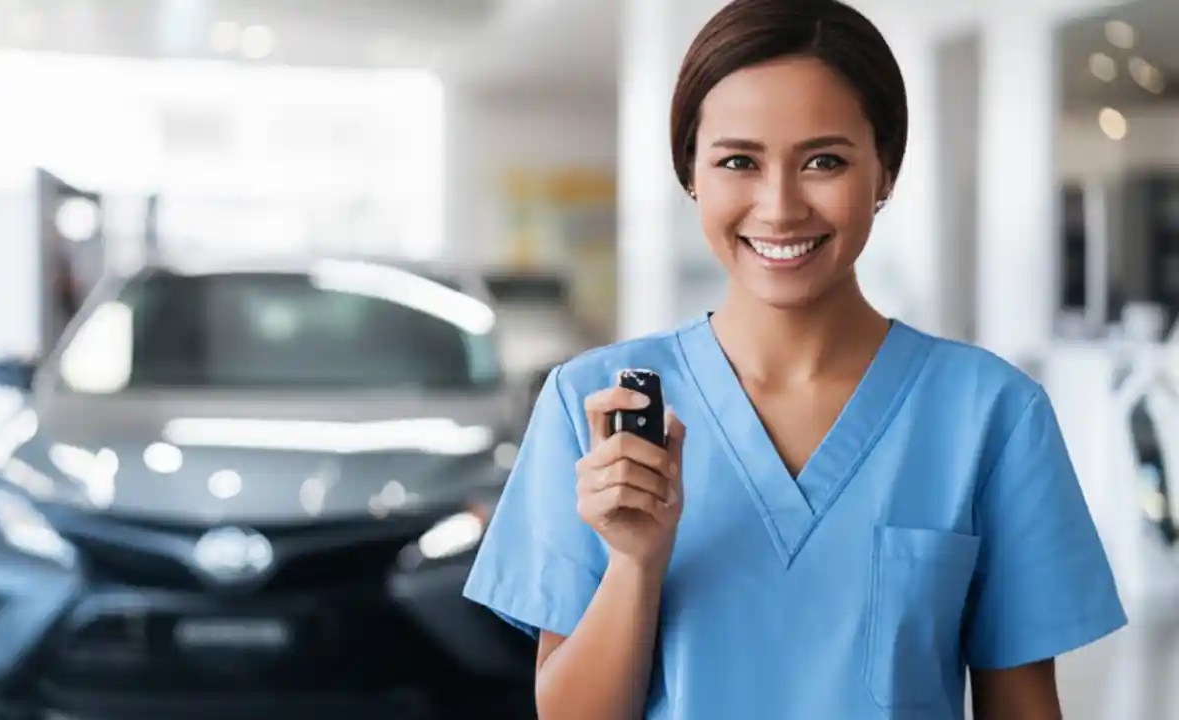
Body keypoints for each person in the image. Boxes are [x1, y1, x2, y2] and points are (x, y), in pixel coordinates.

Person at [463, 0, 1128, 717]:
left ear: (886, 171)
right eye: (738, 161)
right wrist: (635, 561)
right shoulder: (596, 406)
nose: (779, 208)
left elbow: (1023, 708)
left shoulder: (990, 414)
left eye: (824, 161)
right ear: (692, 172)